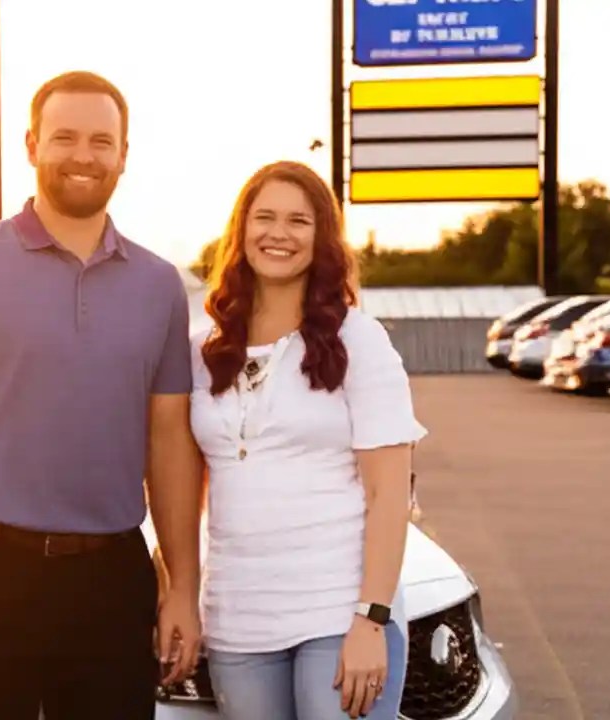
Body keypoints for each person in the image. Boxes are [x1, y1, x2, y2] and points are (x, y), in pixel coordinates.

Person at [0, 70, 203, 720]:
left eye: (101, 140)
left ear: (124, 155)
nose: (83, 156)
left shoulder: (158, 286)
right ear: (31, 144)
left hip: (112, 579)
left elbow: (170, 439)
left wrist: (183, 587)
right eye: (65, 137)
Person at [189, 160, 424, 719]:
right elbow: (182, 484)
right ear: (241, 231)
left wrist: (373, 618)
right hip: (237, 621)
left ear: (322, 238)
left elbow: (389, 494)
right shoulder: (202, 352)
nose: (278, 233)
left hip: (337, 614)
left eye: (299, 221)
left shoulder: (359, 341)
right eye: (264, 217)